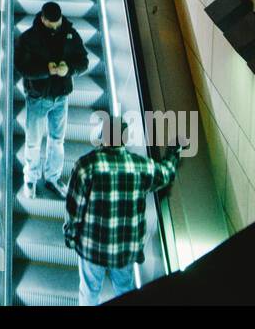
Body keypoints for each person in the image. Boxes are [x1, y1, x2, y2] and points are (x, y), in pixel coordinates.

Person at [64, 122, 181, 305]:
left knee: (89, 291)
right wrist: (174, 151)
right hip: (125, 250)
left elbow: (73, 211)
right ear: (124, 140)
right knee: (125, 290)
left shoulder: (85, 166)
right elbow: (166, 173)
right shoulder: (140, 166)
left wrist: (70, 238)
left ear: (102, 138)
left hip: (91, 248)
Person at [14, 1, 89, 198]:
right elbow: (22, 68)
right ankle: (30, 179)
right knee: (33, 142)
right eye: (51, 24)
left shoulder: (70, 34)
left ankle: (52, 178)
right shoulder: (28, 39)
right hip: (38, 98)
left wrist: (69, 69)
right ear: (43, 19)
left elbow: (84, 61)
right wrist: (46, 70)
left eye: (58, 23)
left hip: (61, 97)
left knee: (57, 141)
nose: (56, 27)